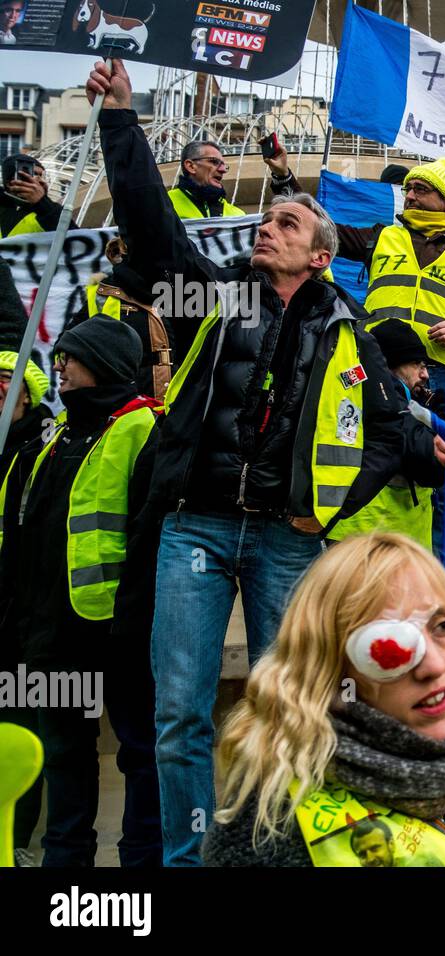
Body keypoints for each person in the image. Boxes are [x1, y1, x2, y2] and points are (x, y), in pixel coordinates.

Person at [86, 57, 427, 865]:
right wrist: (118, 121)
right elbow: (152, 220)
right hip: (193, 532)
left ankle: (276, 855)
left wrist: (332, 510)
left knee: (291, 714)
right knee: (180, 713)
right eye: (264, 219)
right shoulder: (216, 294)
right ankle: (187, 861)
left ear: (318, 255)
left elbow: (389, 428)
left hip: (286, 540)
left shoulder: (348, 331)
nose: (265, 228)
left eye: (285, 223)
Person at [203, 533, 445, 867]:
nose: (432, 666)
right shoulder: (275, 815)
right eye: (390, 647)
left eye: (443, 626)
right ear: (334, 668)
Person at [0, 318, 164, 867]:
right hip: (53, 634)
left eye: (72, 355)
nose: (60, 365)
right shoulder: (52, 437)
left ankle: (142, 864)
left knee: (140, 755)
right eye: (60, 354)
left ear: (105, 362)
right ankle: (65, 866)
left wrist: (132, 621)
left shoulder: (142, 427)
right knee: (65, 756)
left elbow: (150, 534)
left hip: (121, 634)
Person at [334, 159, 445, 410]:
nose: (409, 195)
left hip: (436, 374)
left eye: (420, 189)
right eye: (407, 188)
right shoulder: (381, 236)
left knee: (433, 447)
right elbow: (322, 232)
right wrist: (284, 180)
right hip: (374, 360)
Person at [328, 320, 445, 552]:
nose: (424, 375)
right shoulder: (387, 403)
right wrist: (439, 424)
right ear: (391, 365)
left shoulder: (363, 392)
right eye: (417, 364)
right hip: (374, 538)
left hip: (378, 536)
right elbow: (431, 463)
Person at [0, 347, 51, 866]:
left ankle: (13, 839)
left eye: (5, 383)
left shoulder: (41, 447)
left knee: (18, 726)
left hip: (19, 617)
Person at [2, 155, 77, 237]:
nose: (41, 181)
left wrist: (43, 203)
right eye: (33, 175)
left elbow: (77, 240)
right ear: (10, 183)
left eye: (42, 176)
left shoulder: (50, 211)